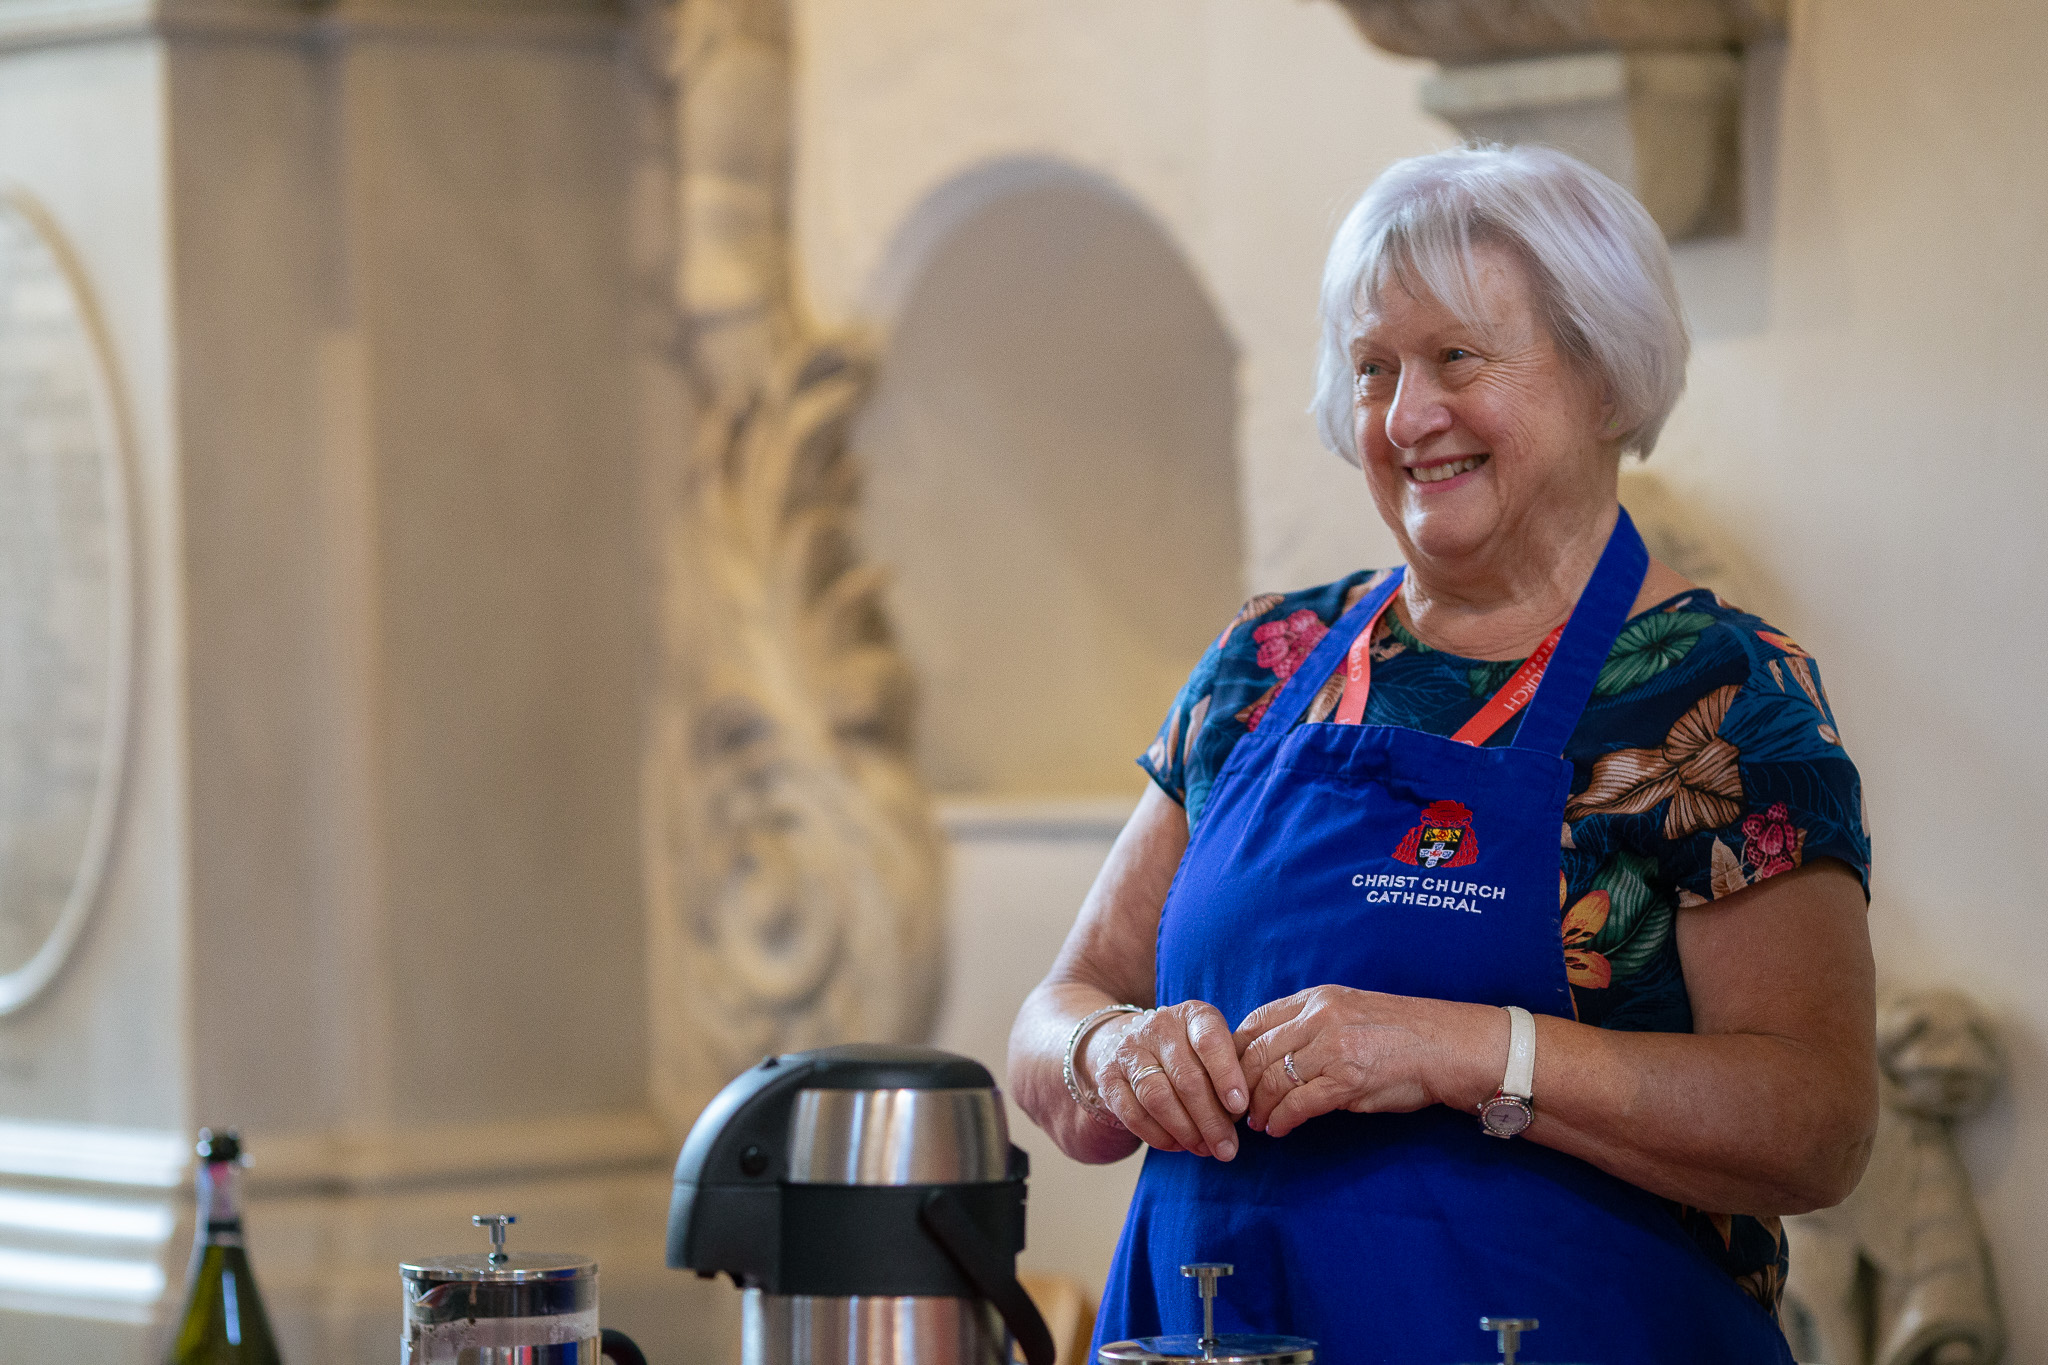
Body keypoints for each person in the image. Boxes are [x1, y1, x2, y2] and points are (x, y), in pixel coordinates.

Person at [1007, 145, 1876, 1364]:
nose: (1406, 417)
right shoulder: (1262, 661)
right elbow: (1055, 1016)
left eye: (1455, 358)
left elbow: (1812, 1126)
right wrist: (1108, 1049)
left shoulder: (1719, 694)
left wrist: (1463, 1050)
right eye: (1371, 369)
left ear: (1602, 373)